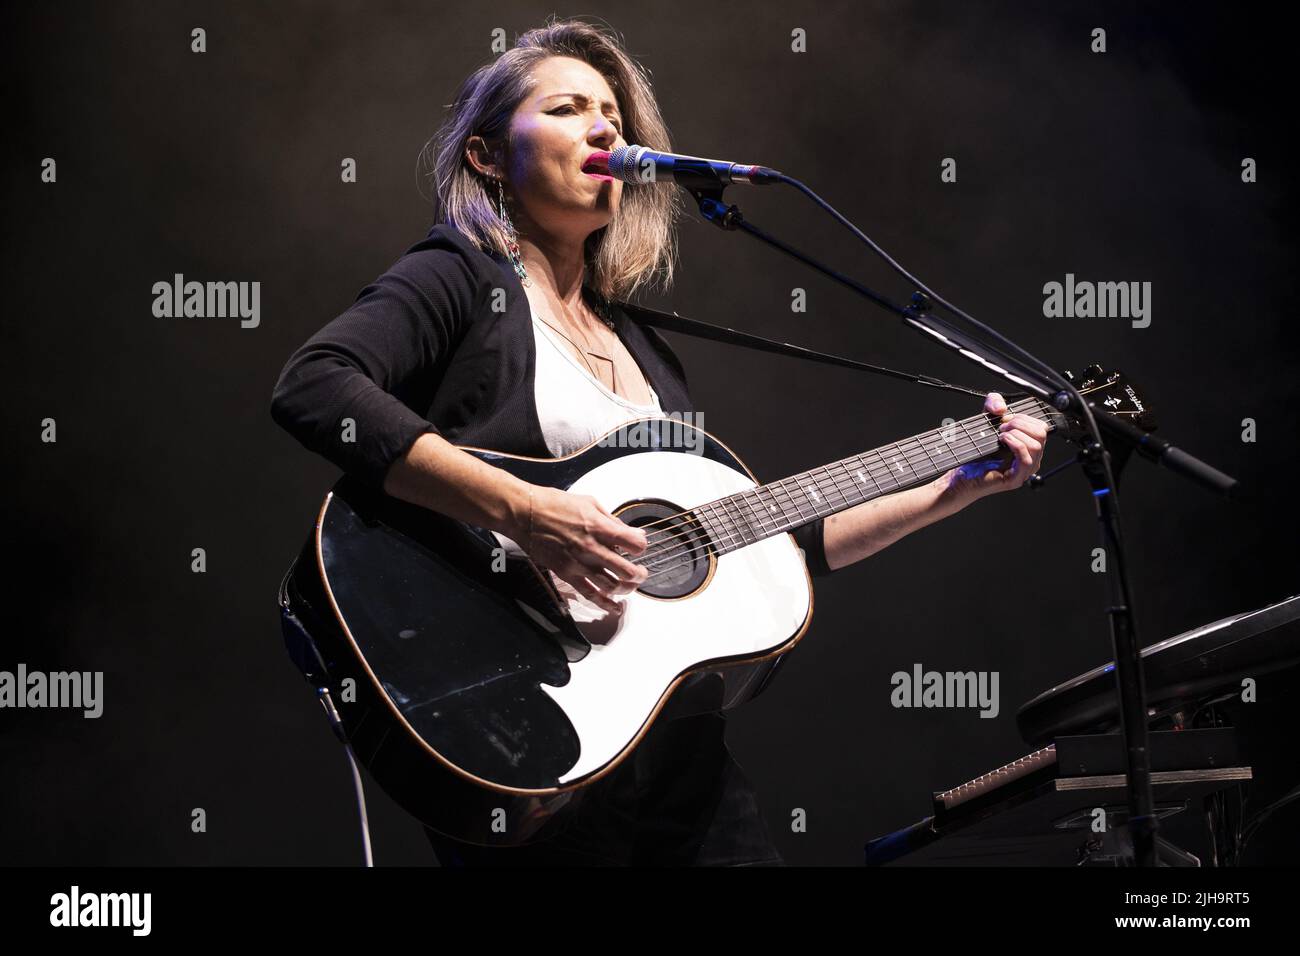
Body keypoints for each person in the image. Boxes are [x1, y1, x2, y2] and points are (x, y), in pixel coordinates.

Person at [269, 18, 1048, 866]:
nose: (606, 127)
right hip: (525, 725)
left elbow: (775, 543)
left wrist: (957, 484)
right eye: (568, 108)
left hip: (679, 761)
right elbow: (316, 386)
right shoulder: (460, 275)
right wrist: (527, 511)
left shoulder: (646, 352)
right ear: (489, 156)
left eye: (613, 112)